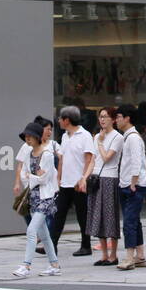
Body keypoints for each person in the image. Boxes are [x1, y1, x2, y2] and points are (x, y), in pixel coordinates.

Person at [13, 121, 60, 277]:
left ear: (37, 137)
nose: (27, 139)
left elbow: (45, 178)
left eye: (30, 136)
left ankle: (26, 266)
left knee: (31, 230)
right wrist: (33, 177)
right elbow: (24, 174)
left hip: (45, 198)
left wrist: (31, 177)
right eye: (26, 136)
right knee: (44, 234)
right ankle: (54, 265)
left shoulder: (46, 154)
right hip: (33, 196)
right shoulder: (28, 153)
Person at [50, 106, 95, 257]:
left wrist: (84, 179)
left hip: (78, 183)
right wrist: (59, 177)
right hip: (65, 183)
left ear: (67, 120)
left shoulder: (85, 135)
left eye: (60, 118)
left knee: (82, 215)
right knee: (59, 214)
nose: (58, 121)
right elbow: (62, 159)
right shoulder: (64, 136)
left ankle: (86, 245)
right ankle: (52, 244)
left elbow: (89, 160)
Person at [115, 108, 146, 270]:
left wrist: (133, 182)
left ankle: (129, 257)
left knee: (129, 222)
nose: (117, 120)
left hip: (133, 186)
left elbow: (137, 162)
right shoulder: (127, 137)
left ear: (127, 118)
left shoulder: (133, 138)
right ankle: (140, 256)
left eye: (119, 117)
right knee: (134, 221)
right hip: (127, 184)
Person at [89, 107, 123, 267]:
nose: (102, 120)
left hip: (110, 179)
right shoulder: (96, 137)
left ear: (113, 119)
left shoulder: (117, 137)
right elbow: (93, 159)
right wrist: (84, 177)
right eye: (100, 117)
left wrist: (101, 142)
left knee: (110, 216)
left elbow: (107, 158)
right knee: (97, 216)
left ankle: (113, 255)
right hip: (96, 178)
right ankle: (103, 254)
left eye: (105, 117)